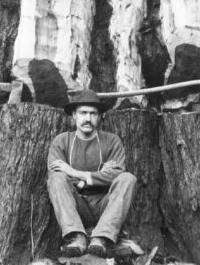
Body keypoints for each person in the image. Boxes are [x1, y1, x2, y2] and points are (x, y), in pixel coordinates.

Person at [47, 89, 137, 258]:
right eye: (83, 113)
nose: (88, 118)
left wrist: (74, 173)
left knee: (128, 179)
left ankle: (101, 238)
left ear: (100, 116)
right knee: (57, 179)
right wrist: (98, 175)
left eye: (93, 113)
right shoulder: (62, 141)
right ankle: (77, 237)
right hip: (76, 206)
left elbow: (117, 173)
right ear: (74, 115)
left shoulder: (112, 141)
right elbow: (55, 175)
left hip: (105, 206)